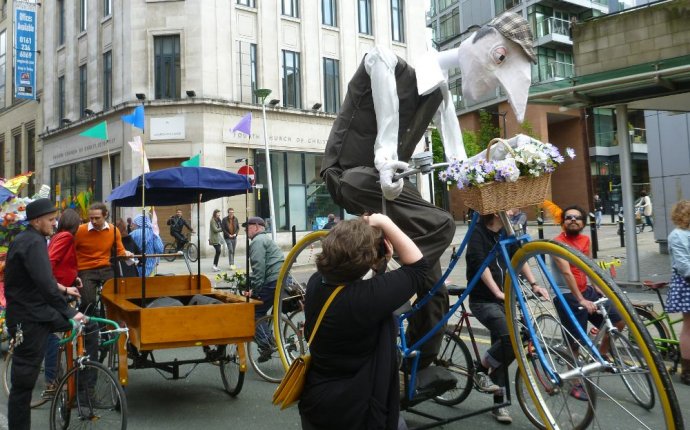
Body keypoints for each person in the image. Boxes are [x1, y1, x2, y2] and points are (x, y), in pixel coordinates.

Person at [320, 12, 536, 368]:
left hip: (386, 181)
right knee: (440, 223)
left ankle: (421, 363)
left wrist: (502, 156)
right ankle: (391, 292)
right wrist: (386, 155)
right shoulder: (384, 61)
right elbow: (386, 98)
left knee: (434, 288)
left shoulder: (438, 91)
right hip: (349, 174)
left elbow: (456, 152)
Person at [299, 214, 428, 429]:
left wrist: (378, 265)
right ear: (368, 260)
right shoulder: (365, 299)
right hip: (357, 409)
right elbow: (418, 268)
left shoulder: (315, 284)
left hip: (318, 402)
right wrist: (386, 221)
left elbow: (360, 288)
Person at [5, 198, 86, 430]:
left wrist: (65, 290)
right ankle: (55, 380)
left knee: (81, 326)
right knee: (23, 385)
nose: (54, 223)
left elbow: (43, 279)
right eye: (51, 220)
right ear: (37, 220)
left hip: (37, 311)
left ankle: (69, 378)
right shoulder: (32, 242)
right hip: (28, 318)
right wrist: (69, 311)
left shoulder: (30, 239)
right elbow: (44, 283)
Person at [466, 213, 548, 424]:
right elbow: (480, 266)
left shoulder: (504, 233)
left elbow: (519, 259)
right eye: (509, 210)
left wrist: (534, 284)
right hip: (483, 301)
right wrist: (497, 292)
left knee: (507, 348)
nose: (514, 212)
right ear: (496, 213)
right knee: (509, 338)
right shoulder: (477, 234)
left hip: (505, 301)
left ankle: (498, 404)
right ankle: (481, 368)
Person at [551, 205, 625, 401]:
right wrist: (581, 299)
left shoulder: (585, 240)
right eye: (568, 217)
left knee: (618, 322)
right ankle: (575, 383)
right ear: (563, 222)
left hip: (586, 290)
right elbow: (567, 273)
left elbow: (589, 265)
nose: (573, 220)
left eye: (577, 217)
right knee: (575, 342)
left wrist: (597, 287)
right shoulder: (557, 243)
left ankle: (600, 354)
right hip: (567, 294)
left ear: (583, 223)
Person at [45, 208, 83, 394]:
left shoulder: (58, 236)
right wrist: (61, 286)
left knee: (58, 332)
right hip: (57, 291)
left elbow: (62, 263)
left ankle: (55, 374)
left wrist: (74, 278)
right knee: (56, 333)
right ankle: (52, 379)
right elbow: (50, 263)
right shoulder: (66, 237)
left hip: (61, 287)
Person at [75, 202, 129, 316]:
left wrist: (126, 254)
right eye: (91, 218)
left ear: (105, 215)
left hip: (105, 268)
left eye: (97, 218)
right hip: (86, 270)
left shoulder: (113, 230)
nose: (94, 221)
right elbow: (71, 251)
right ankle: (86, 325)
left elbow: (120, 250)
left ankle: (113, 325)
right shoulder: (80, 230)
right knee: (88, 302)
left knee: (117, 297)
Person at [242, 216, 284, 362]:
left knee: (254, 312)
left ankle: (266, 344)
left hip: (273, 281)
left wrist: (255, 290)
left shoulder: (257, 241)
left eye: (248, 226)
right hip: (280, 279)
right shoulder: (265, 239)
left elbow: (258, 268)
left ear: (257, 226)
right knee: (262, 308)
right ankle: (270, 338)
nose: (246, 229)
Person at [665, 200, 690, 385]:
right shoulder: (677, 235)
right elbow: (684, 268)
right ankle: (687, 371)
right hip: (687, 283)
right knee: (689, 327)